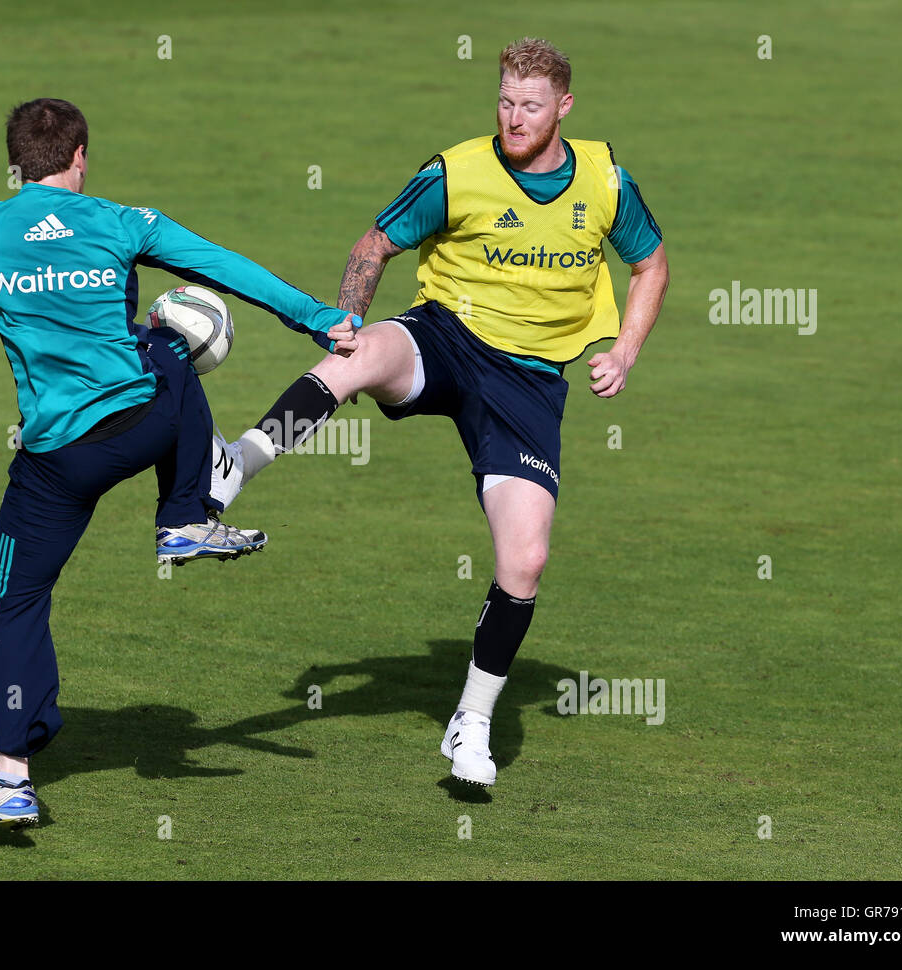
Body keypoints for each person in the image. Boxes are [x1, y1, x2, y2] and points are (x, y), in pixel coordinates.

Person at [0, 98, 354, 829]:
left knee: (15, 606)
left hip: (59, 460)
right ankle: (185, 518)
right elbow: (225, 267)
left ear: (17, 163)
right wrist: (317, 317)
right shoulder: (124, 221)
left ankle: (10, 778)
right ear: (81, 156)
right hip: (144, 427)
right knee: (165, 345)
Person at [213, 38, 669, 787]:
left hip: (528, 387)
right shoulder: (456, 173)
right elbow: (375, 244)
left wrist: (624, 351)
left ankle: (472, 721)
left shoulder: (606, 181)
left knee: (525, 560)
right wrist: (348, 318)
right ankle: (238, 462)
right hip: (448, 338)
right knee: (355, 361)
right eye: (504, 100)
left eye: (530, 104)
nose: (514, 117)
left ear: (564, 106)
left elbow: (650, 263)